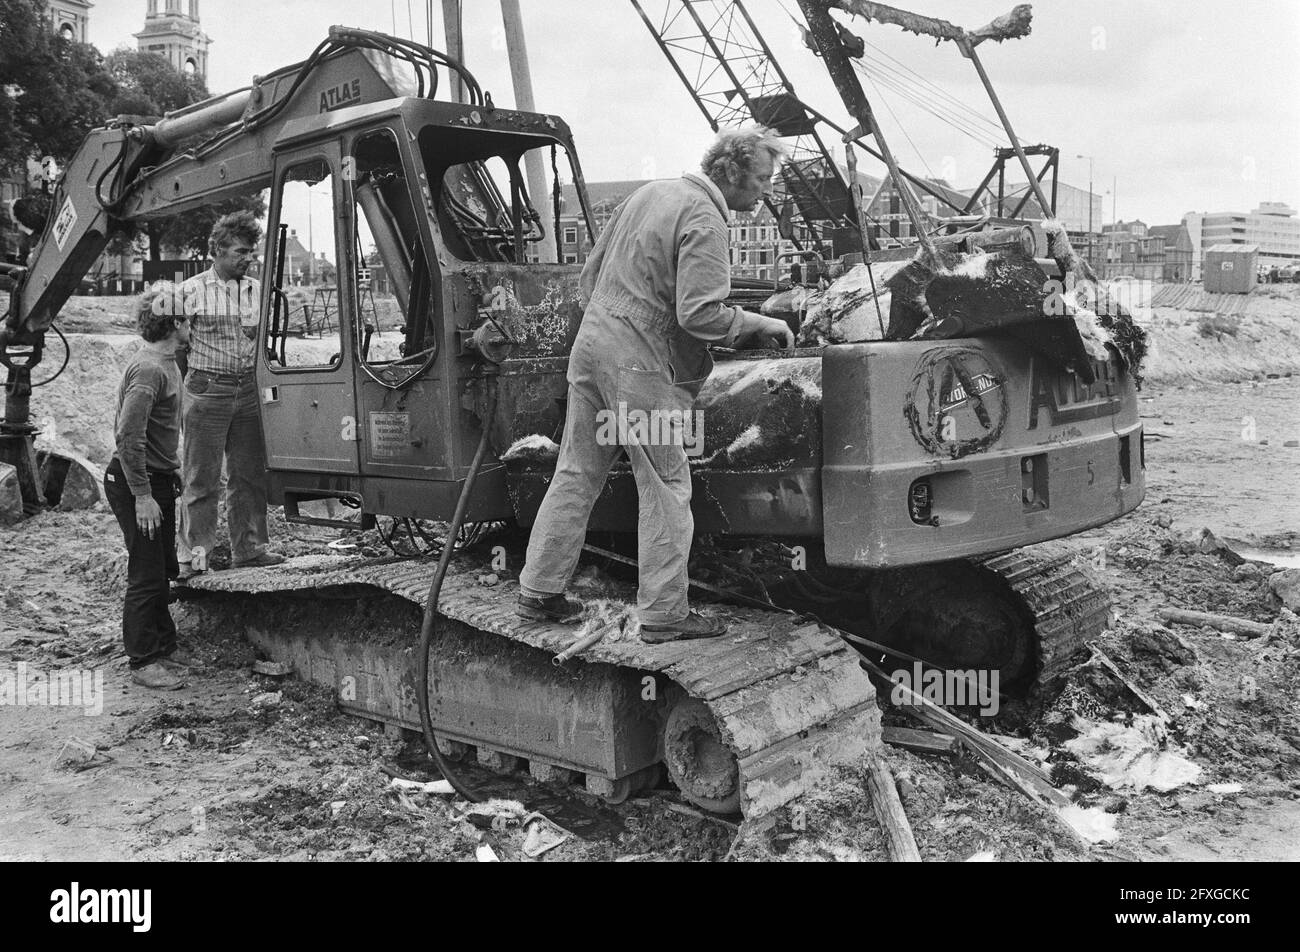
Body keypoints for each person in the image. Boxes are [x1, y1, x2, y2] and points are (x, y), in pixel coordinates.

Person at [517, 125, 795, 643]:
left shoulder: (651, 192)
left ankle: (538, 590)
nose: (765, 191)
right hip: (636, 364)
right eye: (761, 179)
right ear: (732, 173)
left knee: (577, 470)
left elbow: (590, 274)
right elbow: (700, 314)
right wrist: (758, 325)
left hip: (592, 345)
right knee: (665, 482)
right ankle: (666, 614)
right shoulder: (706, 217)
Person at [177, 211, 284, 578]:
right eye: (240, 251)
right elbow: (178, 346)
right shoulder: (190, 291)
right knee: (201, 479)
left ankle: (249, 550)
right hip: (207, 390)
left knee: (249, 475)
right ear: (217, 250)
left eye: (251, 252)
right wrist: (195, 383)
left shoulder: (256, 290)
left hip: (248, 391)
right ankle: (195, 558)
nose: (248, 258)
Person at [103, 286, 191, 689]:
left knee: (161, 569)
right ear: (174, 323)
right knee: (145, 573)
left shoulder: (168, 362)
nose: (193, 325)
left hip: (155, 479)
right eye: (188, 318)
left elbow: (154, 433)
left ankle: (163, 649)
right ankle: (143, 661)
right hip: (134, 481)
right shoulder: (151, 369)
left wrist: (168, 473)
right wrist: (142, 495)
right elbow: (128, 436)